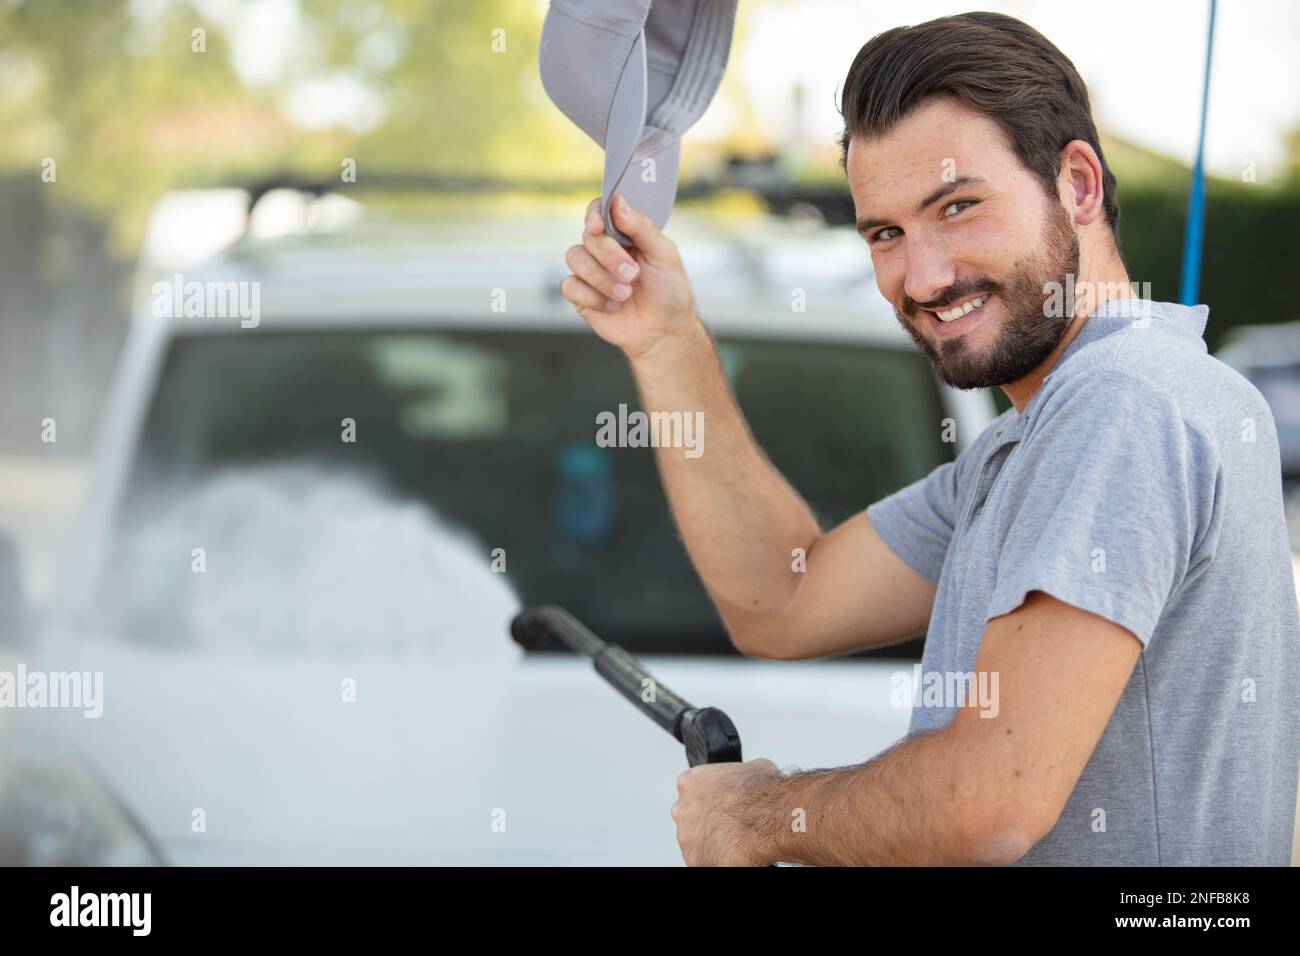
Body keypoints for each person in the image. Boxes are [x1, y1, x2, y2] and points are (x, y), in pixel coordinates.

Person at [557, 11, 1300, 866]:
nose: (925, 275)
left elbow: (988, 803)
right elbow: (783, 602)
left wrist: (761, 815)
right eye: (886, 233)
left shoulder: (1124, 406)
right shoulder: (1029, 444)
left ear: (1080, 185)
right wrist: (668, 342)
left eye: (959, 207)